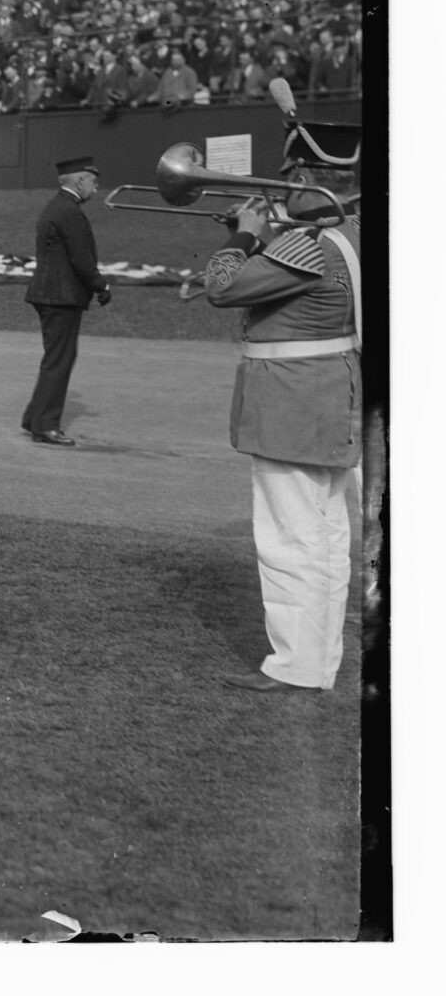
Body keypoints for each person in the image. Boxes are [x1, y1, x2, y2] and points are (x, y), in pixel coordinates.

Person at [204, 121, 364, 693]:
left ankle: (298, 665)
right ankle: (317, 662)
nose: (280, 185)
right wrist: (266, 236)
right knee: (325, 536)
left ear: (303, 177)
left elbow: (220, 286)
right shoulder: (356, 231)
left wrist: (243, 238)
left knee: (290, 539)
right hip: (333, 393)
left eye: (287, 176)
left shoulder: (309, 244)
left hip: (291, 401)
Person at [20, 156, 112, 446]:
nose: (95, 189)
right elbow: (81, 259)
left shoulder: (57, 207)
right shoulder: (70, 212)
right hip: (61, 297)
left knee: (55, 358)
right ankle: (45, 426)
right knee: (60, 360)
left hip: (50, 294)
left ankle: (34, 418)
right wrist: (101, 285)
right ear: (80, 180)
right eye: (93, 182)